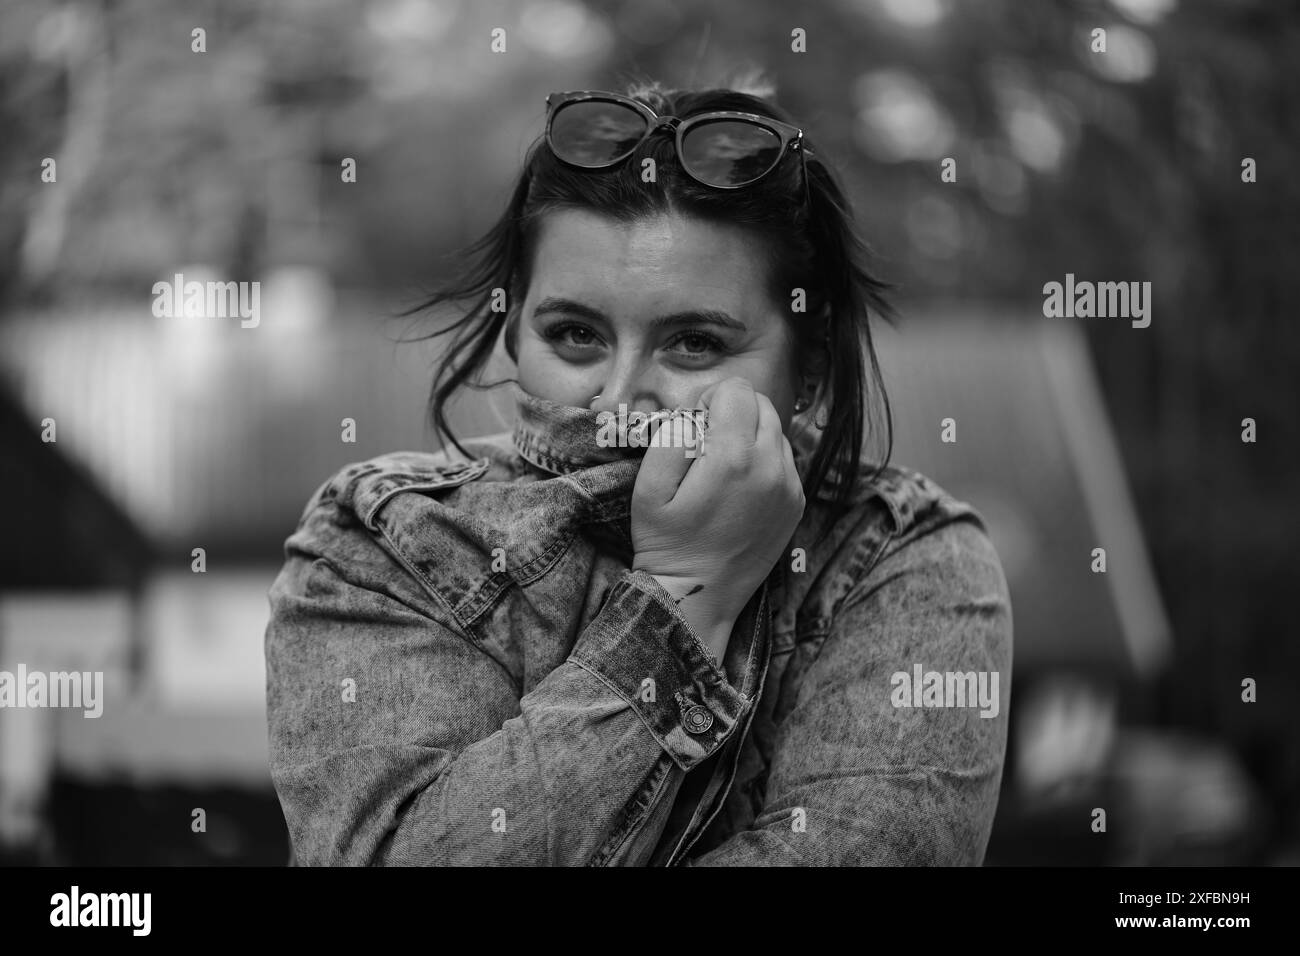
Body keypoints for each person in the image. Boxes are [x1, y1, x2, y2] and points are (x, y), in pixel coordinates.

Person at [264, 81, 1013, 866]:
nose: (618, 398)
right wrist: (684, 602)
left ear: (813, 373)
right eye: (576, 334)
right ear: (514, 333)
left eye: (693, 343)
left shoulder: (900, 563)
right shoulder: (382, 546)